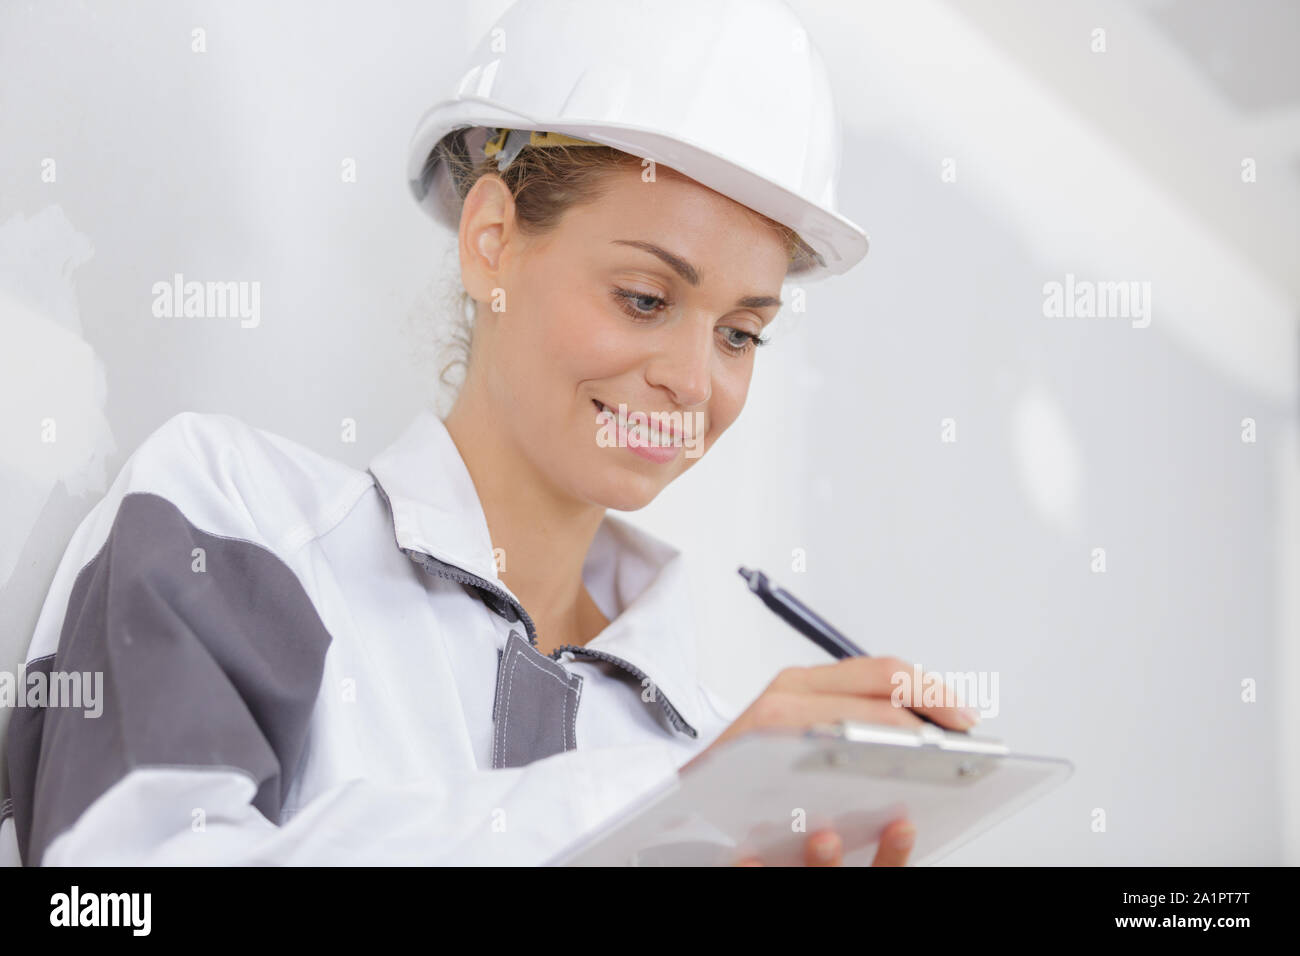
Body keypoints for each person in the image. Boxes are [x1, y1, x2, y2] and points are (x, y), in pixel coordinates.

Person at [1, 0, 975, 867]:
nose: (693, 377)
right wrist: (655, 809)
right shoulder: (230, 520)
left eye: (739, 333)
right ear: (491, 241)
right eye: (644, 297)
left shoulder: (718, 762)